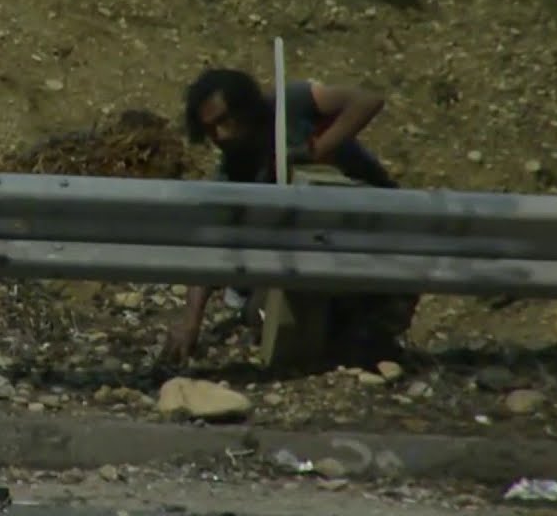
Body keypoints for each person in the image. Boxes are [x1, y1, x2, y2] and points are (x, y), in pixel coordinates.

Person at [160, 68, 419, 366]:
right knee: (259, 315)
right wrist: (191, 322)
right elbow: (214, 243)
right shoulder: (235, 171)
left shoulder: (290, 106)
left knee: (371, 334)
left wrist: (316, 150)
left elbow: (367, 101)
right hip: (313, 256)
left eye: (224, 121)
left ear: (245, 108)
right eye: (210, 130)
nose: (220, 136)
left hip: (374, 235)